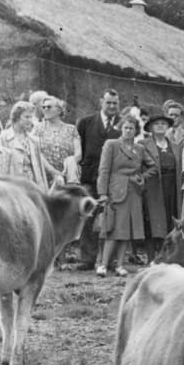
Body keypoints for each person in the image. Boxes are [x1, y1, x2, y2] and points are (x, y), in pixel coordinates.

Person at [75, 89, 121, 269]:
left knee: (113, 218)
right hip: (90, 177)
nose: (111, 106)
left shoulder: (123, 124)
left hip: (114, 179)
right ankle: (87, 259)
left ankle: (109, 260)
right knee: (87, 217)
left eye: (115, 103)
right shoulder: (86, 123)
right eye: (108, 102)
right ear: (101, 102)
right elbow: (81, 151)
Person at [96, 115, 147, 277]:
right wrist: (103, 193)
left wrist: (141, 178)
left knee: (127, 230)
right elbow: (104, 170)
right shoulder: (111, 144)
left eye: (132, 128)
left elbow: (150, 167)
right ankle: (103, 265)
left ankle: (120, 265)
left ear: (136, 131)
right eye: (125, 127)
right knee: (112, 228)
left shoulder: (139, 149)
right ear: (120, 128)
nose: (128, 131)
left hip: (134, 192)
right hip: (116, 190)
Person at [138, 111, 180, 259]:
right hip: (152, 188)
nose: (160, 126)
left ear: (168, 126)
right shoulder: (143, 144)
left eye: (163, 123)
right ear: (150, 127)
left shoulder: (174, 146)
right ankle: (150, 258)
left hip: (171, 187)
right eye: (156, 124)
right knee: (152, 222)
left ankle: (166, 257)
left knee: (169, 220)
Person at [1, 101, 62, 190]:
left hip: (33, 184)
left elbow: (39, 158)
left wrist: (53, 172)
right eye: (26, 117)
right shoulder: (4, 137)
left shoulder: (33, 140)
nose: (30, 120)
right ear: (16, 118)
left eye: (31, 117)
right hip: (13, 185)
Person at [34, 96, 81, 184]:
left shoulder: (71, 129)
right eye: (43, 107)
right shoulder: (38, 129)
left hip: (68, 175)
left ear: (59, 110)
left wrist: (67, 166)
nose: (45, 109)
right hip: (46, 176)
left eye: (49, 107)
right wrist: (53, 171)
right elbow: (36, 152)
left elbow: (78, 154)